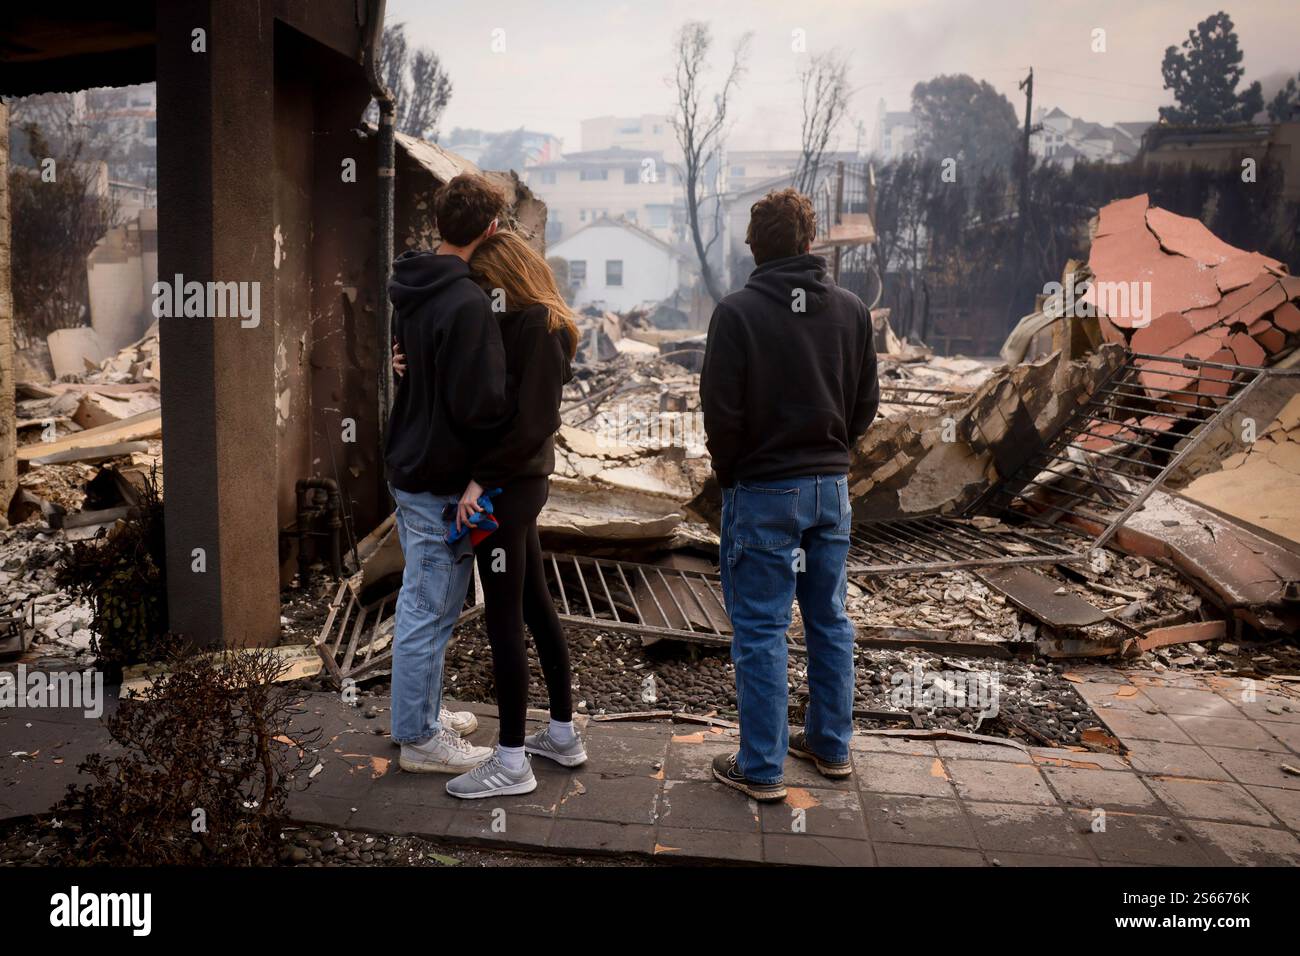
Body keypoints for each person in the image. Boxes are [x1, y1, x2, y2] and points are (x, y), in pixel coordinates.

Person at [699, 187, 880, 802]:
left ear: (755, 249)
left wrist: (735, 478)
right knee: (829, 619)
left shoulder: (737, 313)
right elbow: (865, 405)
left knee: (761, 629)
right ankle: (830, 747)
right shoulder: (852, 311)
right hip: (830, 492)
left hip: (763, 492)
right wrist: (831, 453)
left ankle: (761, 768)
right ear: (810, 243)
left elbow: (719, 415)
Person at [393, 232, 584, 799]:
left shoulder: (535, 327)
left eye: (481, 279)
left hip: (509, 490)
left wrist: (483, 480)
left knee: (503, 620)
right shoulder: (522, 321)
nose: (475, 290)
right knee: (534, 605)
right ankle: (562, 734)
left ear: (502, 274)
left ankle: (510, 761)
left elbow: (531, 424)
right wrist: (411, 361)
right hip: (519, 486)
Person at [384, 173, 512, 774]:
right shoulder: (467, 303)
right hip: (439, 479)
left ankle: (423, 712)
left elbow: (414, 368)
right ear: (489, 231)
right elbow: (481, 406)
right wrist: (484, 473)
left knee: (425, 600)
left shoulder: (409, 282)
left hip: (407, 465)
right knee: (428, 608)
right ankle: (418, 738)